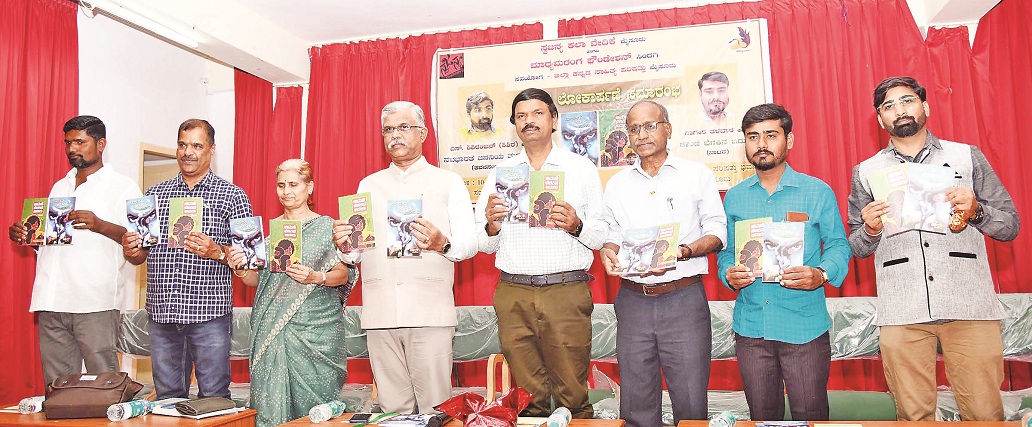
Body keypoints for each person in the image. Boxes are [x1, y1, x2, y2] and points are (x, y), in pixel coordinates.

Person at [848, 77, 1019, 421]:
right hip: (902, 310)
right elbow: (857, 246)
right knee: (913, 416)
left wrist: (976, 211)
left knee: (985, 413)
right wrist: (869, 228)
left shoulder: (966, 156)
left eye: (907, 101)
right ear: (880, 119)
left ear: (924, 107)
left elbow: (1009, 225)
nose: (899, 110)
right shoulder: (866, 171)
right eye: (888, 106)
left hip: (969, 305)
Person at [333, 101, 478, 414]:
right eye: (388, 129)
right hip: (380, 314)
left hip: (429, 313)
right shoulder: (368, 185)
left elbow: (470, 244)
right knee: (392, 412)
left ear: (423, 133)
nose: (394, 135)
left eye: (403, 127)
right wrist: (343, 244)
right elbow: (353, 255)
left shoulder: (448, 181)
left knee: (437, 411)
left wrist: (443, 243)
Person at [475, 88, 606, 418]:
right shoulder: (500, 174)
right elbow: (485, 243)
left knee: (572, 395)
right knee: (526, 398)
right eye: (521, 116)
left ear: (553, 120)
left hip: (564, 291)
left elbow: (602, 234)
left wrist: (576, 224)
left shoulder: (580, 169)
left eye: (537, 114)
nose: (528, 121)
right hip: (513, 293)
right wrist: (491, 225)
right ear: (514, 126)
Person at [718, 103, 852, 421]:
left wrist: (820, 274)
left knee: (811, 414)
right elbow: (727, 251)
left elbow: (838, 246)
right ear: (745, 144)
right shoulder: (735, 197)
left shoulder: (816, 191)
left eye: (771, 135)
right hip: (752, 328)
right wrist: (728, 272)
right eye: (753, 137)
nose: (761, 144)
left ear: (788, 140)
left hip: (803, 326)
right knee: (763, 416)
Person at [599, 100, 726, 426]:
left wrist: (683, 251)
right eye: (633, 128)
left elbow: (717, 232)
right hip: (633, 301)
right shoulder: (617, 184)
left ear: (667, 128)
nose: (641, 134)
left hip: (682, 299)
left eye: (650, 125)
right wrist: (608, 251)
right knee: (636, 402)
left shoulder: (697, 175)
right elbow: (613, 234)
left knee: (690, 399)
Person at [121, 119, 253, 399]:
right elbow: (140, 255)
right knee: (167, 398)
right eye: (182, 144)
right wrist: (132, 250)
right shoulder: (155, 195)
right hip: (162, 313)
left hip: (209, 315)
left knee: (214, 398)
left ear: (212, 149)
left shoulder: (233, 196)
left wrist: (216, 251)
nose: (187, 152)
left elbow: (249, 260)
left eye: (196, 145)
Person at [8, 115, 141, 386]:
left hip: (95, 302)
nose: (72, 149)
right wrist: (29, 235)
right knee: (58, 386)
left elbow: (138, 246)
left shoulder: (123, 187)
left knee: (104, 384)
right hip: (52, 298)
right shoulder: (60, 185)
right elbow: (54, 240)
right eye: (68, 142)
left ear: (101, 144)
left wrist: (100, 224)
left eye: (80, 142)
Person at [229, 159, 357, 427]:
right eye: (281, 185)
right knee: (268, 405)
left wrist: (316, 277)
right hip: (270, 330)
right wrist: (240, 268)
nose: (286, 191)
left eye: (293, 184)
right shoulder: (266, 235)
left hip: (316, 331)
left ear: (309, 187)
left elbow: (343, 274)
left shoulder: (328, 228)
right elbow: (256, 280)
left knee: (316, 412)